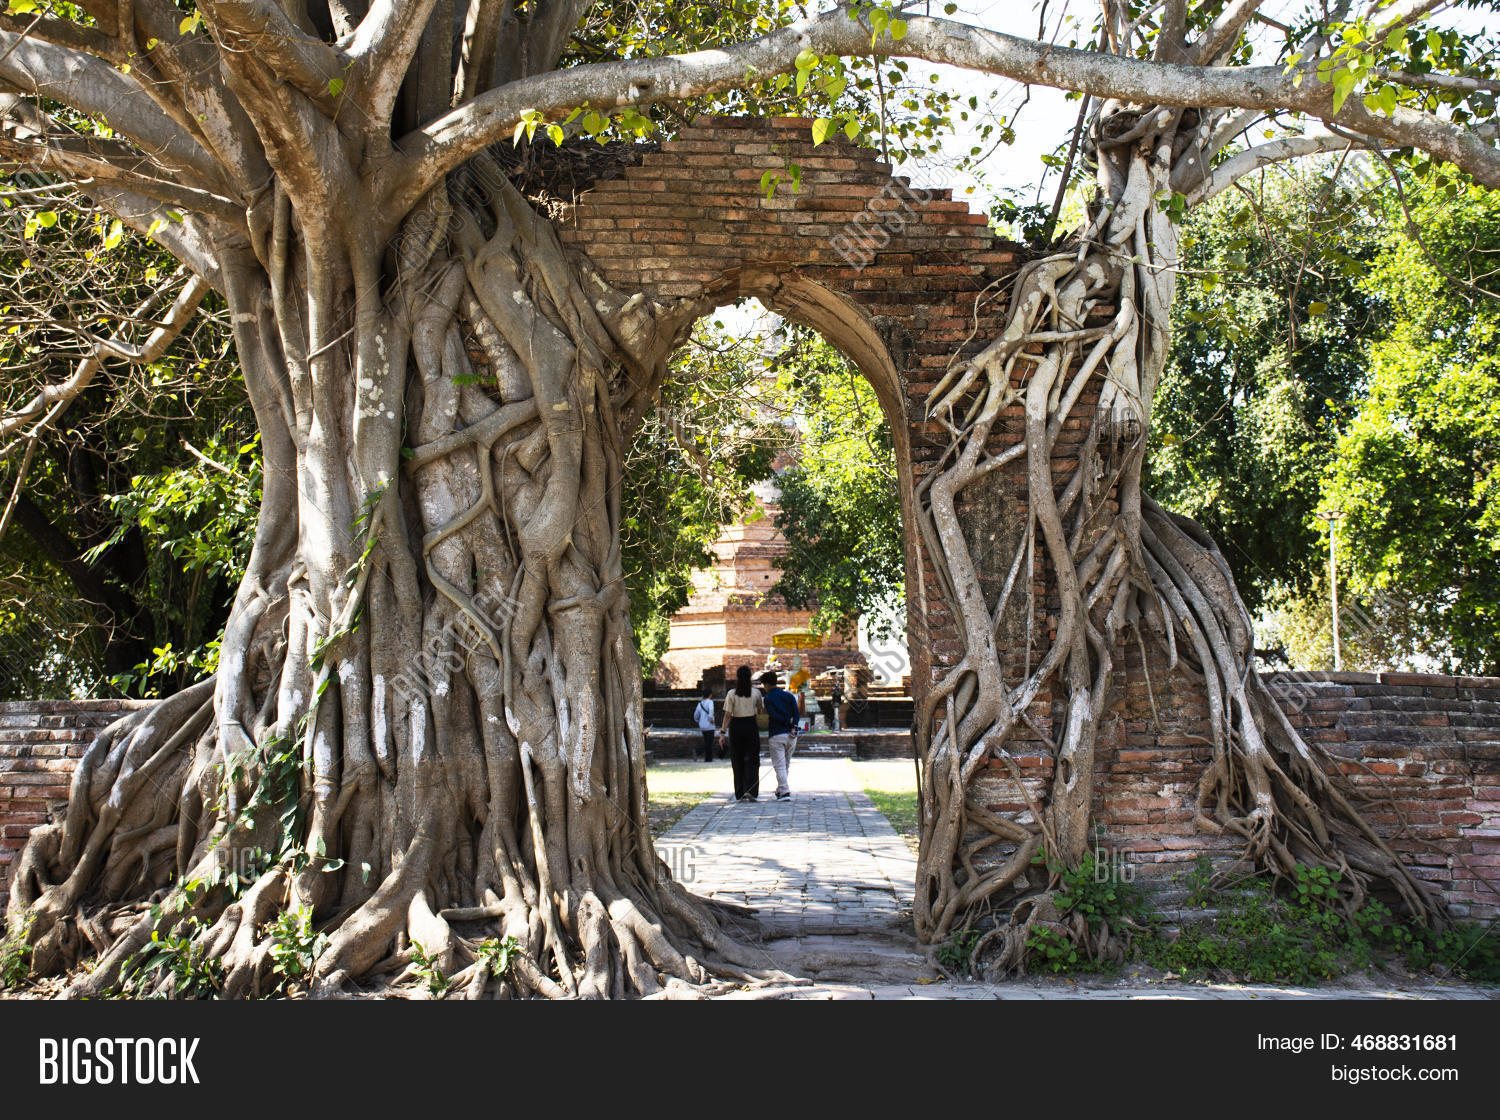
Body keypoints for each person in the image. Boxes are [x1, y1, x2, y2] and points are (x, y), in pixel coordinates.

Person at [719, 665, 764, 801]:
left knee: (737, 759)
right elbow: (760, 711)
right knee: (753, 758)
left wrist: (722, 732)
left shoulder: (731, 694)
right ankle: (752, 790)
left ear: (737, 678)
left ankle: (740, 791)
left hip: (736, 725)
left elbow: (727, 715)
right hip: (750, 724)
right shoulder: (756, 693)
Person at [759, 670, 801, 801]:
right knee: (785, 764)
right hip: (791, 734)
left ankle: (784, 791)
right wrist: (793, 726)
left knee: (779, 765)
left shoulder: (768, 698)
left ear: (766, 684)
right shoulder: (788, 696)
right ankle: (780, 788)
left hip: (777, 733)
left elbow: (773, 715)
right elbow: (797, 713)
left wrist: (785, 722)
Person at [692, 686, 716, 762]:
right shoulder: (710, 702)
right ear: (710, 695)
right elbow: (711, 711)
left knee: (707, 741)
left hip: (702, 725)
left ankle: (708, 759)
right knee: (709, 742)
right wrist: (711, 719)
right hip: (709, 725)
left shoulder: (700, 704)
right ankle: (697, 750)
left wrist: (698, 721)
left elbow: (696, 715)